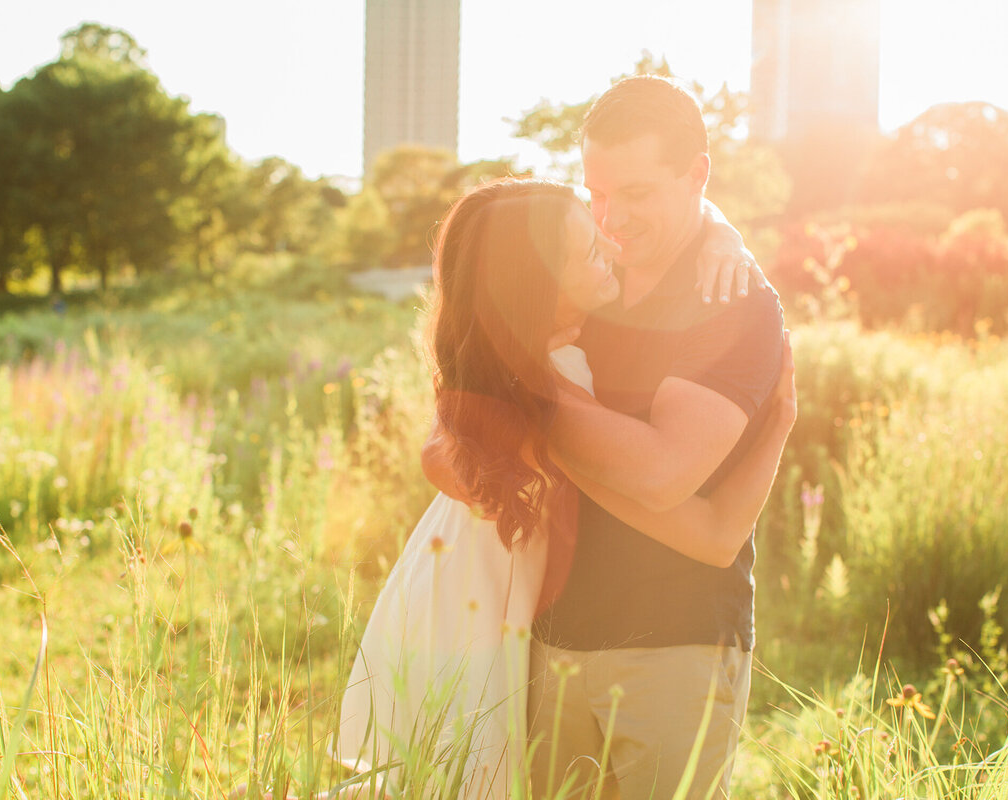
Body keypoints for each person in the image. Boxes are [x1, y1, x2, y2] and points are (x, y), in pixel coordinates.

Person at [337, 177, 793, 799]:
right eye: (586, 249)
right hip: (481, 609)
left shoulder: (528, 363)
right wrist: (781, 424)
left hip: (479, 597)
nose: (608, 241)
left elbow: (679, 197)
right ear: (542, 285)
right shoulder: (549, 397)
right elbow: (706, 532)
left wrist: (720, 228)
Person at [521, 75, 787, 799]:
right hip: (550, 638)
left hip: (675, 643)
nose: (612, 218)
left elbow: (666, 473)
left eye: (637, 194)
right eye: (596, 193)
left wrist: (529, 414)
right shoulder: (582, 278)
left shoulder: (730, 304)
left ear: (697, 174)